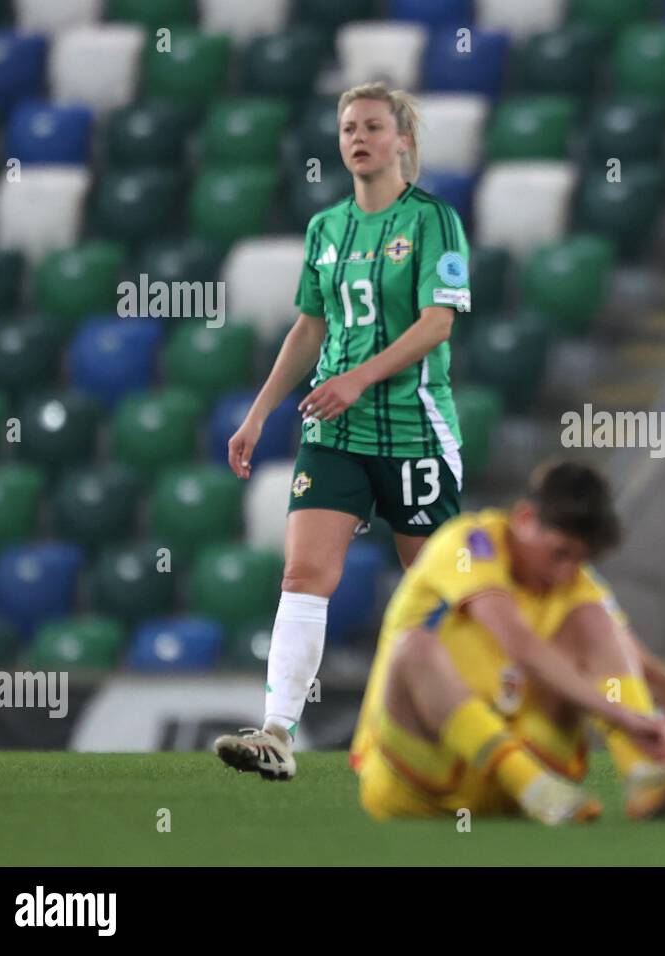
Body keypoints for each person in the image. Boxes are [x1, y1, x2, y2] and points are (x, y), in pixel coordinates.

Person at [214, 83, 472, 780]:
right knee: (303, 573)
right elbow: (310, 327)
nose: (358, 137)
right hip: (334, 434)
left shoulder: (434, 221)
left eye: (373, 126)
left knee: (437, 585)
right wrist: (260, 411)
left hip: (416, 430)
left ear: (403, 141)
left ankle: (476, 720)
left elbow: (437, 324)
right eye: (349, 127)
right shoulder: (325, 229)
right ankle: (277, 732)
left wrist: (359, 377)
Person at [352, 460, 665, 824]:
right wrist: (621, 716)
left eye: (580, 559)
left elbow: (631, 655)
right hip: (418, 776)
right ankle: (528, 783)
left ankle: (642, 773)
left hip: (520, 780)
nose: (567, 572)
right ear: (525, 518)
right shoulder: (468, 544)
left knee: (594, 619)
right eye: (560, 553)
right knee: (414, 646)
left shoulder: (574, 578)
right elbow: (519, 644)